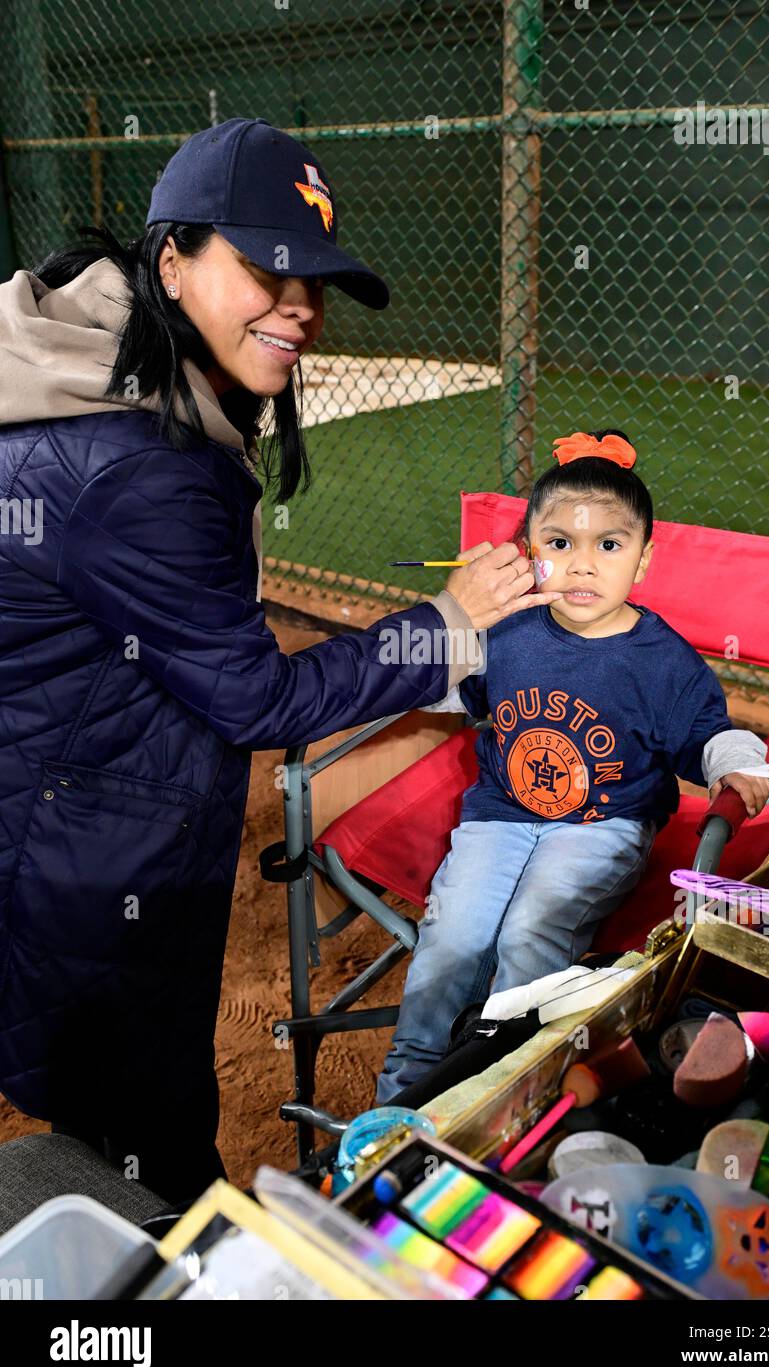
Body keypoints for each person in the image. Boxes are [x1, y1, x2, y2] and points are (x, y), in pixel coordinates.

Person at [0, 118, 558, 1203]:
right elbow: (256, 695)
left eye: (315, 280)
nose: (300, 306)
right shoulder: (136, 466)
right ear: (173, 259)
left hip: (58, 788)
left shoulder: (86, 367)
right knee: (150, 1153)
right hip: (87, 852)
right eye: (266, 266)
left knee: (118, 1114)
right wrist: (446, 619)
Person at [377, 430, 769, 1102]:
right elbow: (440, 680)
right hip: (499, 815)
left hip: (603, 824)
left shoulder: (661, 660)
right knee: (453, 935)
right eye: (561, 544)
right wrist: (422, 640)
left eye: (609, 546)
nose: (584, 567)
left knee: (533, 927)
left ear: (643, 561)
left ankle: (501, 1086)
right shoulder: (508, 628)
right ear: (532, 554)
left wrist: (737, 766)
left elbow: (711, 735)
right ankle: (406, 1088)